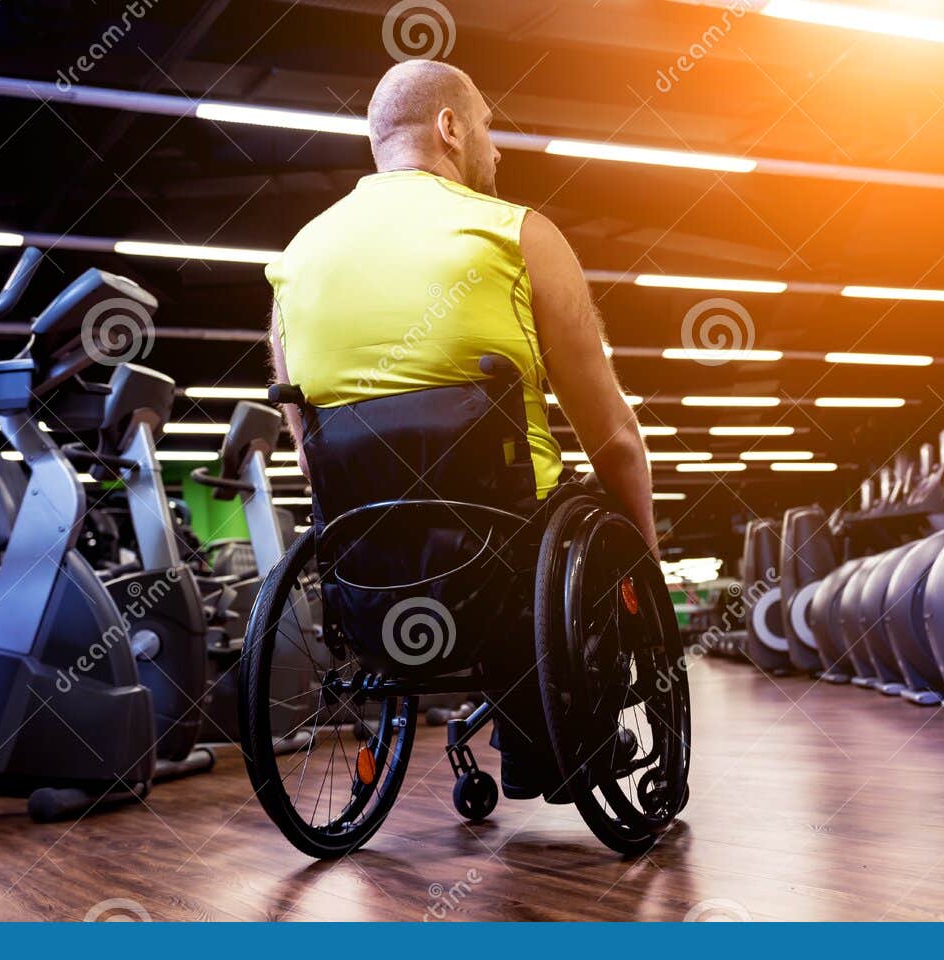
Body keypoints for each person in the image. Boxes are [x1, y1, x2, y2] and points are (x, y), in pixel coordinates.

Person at [265, 59, 655, 800]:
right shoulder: (517, 234)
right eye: (488, 128)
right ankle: (554, 750)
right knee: (593, 505)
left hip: (369, 567)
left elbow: (310, 451)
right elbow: (613, 440)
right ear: (449, 128)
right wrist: (644, 565)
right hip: (508, 560)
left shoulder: (294, 263)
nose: (497, 150)